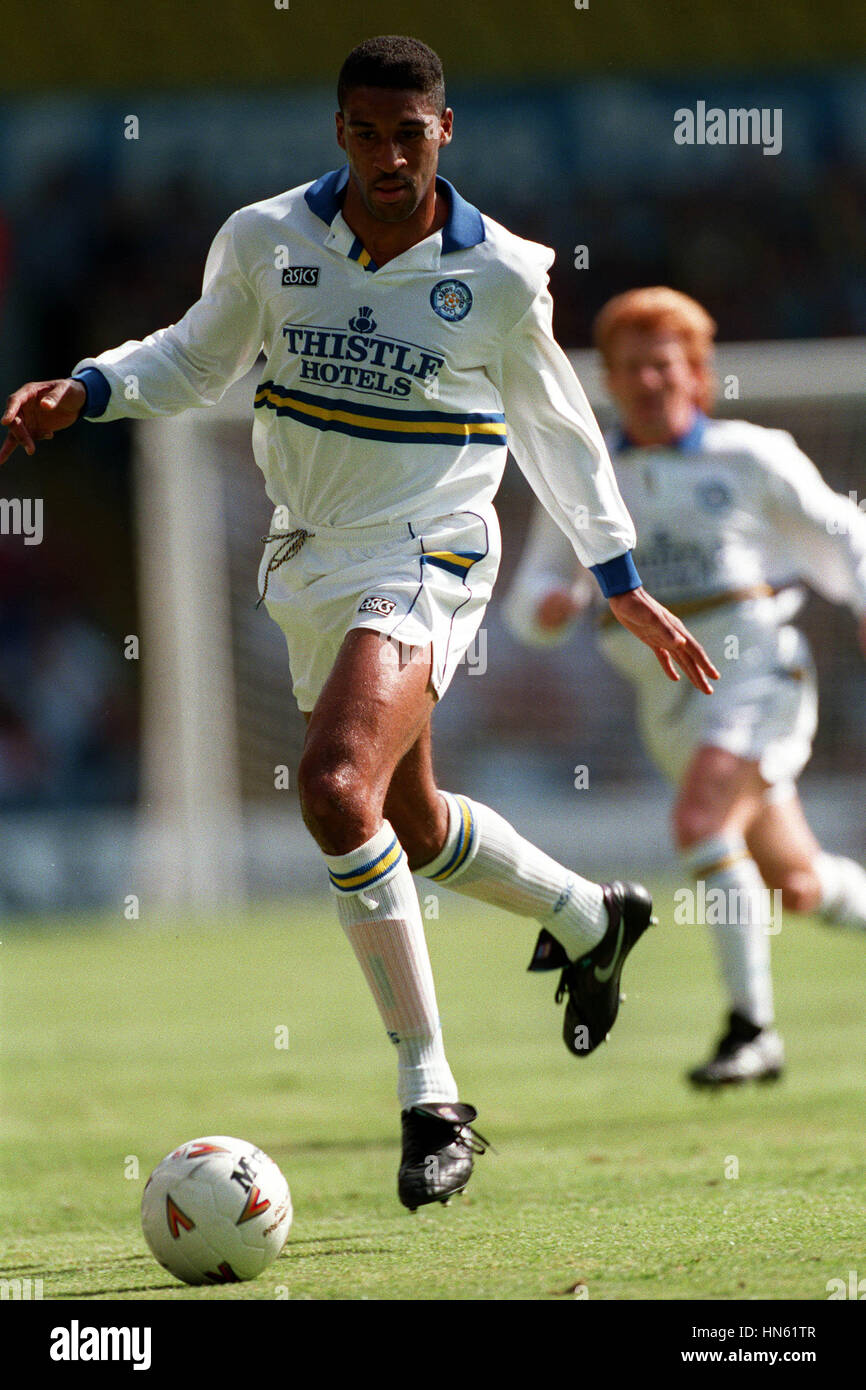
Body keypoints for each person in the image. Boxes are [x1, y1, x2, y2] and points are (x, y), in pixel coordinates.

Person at [1, 42, 718, 1209]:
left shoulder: (498, 274)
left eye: (411, 133)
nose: (390, 154)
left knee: (334, 786)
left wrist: (617, 575)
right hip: (309, 555)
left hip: (432, 546)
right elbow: (195, 358)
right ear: (340, 132)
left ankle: (430, 1095)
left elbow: (556, 428)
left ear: (447, 130)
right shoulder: (264, 239)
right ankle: (593, 919)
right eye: (367, 133)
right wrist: (88, 387)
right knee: (409, 818)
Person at [504, 285, 866, 1087]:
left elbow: (848, 536)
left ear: (697, 374)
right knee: (797, 884)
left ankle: (752, 1031)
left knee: (701, 821)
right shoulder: (584, 476)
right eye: (630, 367)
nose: (647, 381)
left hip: (760, 673)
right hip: (670, 706)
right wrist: (554, 607)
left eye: (663, 364)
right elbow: (526, 604)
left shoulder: (750, 455)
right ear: (611, 381)